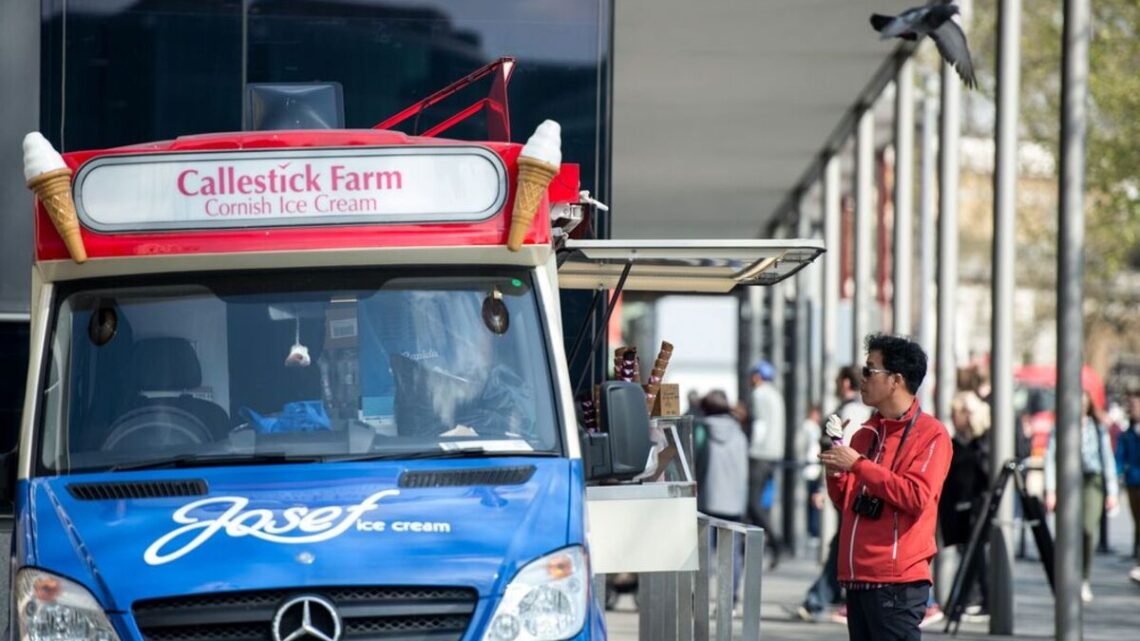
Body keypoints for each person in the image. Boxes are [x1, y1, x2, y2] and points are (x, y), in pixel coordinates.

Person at [819, 334, 952, 641]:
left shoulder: (931, 434)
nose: (861, 380)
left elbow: (916, 497)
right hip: (857, 577)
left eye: (869, 371)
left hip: (896, 583)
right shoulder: (864, 433)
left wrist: (858, 465)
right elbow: (847, 501)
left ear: (895, 380)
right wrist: (836, 473)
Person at [796, 365, 870, 624]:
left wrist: (823, 487)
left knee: (842, 544)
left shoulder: (849, 412)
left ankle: (818, 599)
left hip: (850, 487)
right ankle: (822, 598)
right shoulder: (861, 411)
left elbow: (839, 453)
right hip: (855, 487)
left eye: (839, 380)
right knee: (841, 543)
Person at [1044, 390, 1119, 602]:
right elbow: (1051, 459)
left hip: (1091, 481)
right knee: (1066, 531)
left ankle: (1084, 577)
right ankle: (1067, 578)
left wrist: (1112, 491)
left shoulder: (1097, 428)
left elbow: (1107, 460)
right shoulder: (1060, 428)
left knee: (1087, 529)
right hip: (1066, 480)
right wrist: (1050, 490)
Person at [938, 390, 992, 619]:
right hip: (957, 506)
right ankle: (969, 599)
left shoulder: (982, 442)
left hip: (976, 506)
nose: (953, 418)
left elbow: (985, 470)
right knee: (969, 554)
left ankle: (971, 600)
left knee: (975, 554)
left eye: (956, 414)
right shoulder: (955, 443)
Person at [696, 390, 751, 606]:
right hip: (734, 502)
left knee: (704, 551)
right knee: (732, 552)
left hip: (707, 498)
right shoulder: (739, 433)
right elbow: (744, 471)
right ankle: (731, 600)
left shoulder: (702, 431)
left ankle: (701, 598)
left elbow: (697, 463)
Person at [747, 359, 785, 563]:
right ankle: (767, 542)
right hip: (774, 454)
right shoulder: (776, 395)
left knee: (752, 503)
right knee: (762, 502)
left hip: (759, 454)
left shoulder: (759, 394)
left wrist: (751, 447)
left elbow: (759, 424)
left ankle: (774, 541)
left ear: (757, 376)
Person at [1119, 392, 1140, 583]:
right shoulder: (1127, 433)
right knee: (1137, 521)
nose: (1133, 409)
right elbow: (1120, 456)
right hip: (1134, 481)